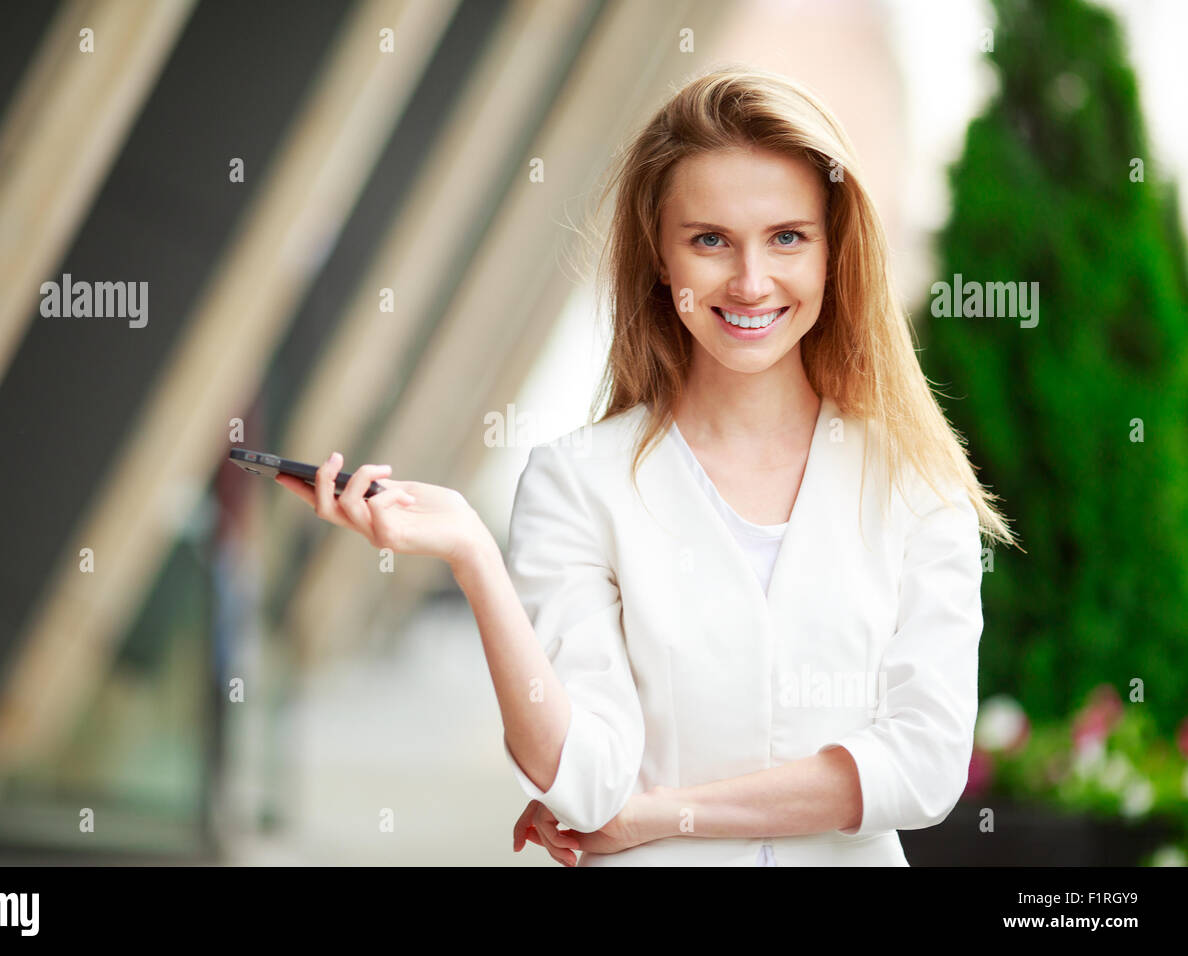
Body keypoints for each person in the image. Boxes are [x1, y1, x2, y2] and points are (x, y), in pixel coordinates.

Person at [276, 66, 1019, 866]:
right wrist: (473, 558)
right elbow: (587, 784)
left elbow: (925, 765)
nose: (750, 281)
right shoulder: (577, 483)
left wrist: (667, 814)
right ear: (661, 257)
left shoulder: (916, 482)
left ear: (834, 253)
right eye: (709, 240)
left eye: (787, 237)